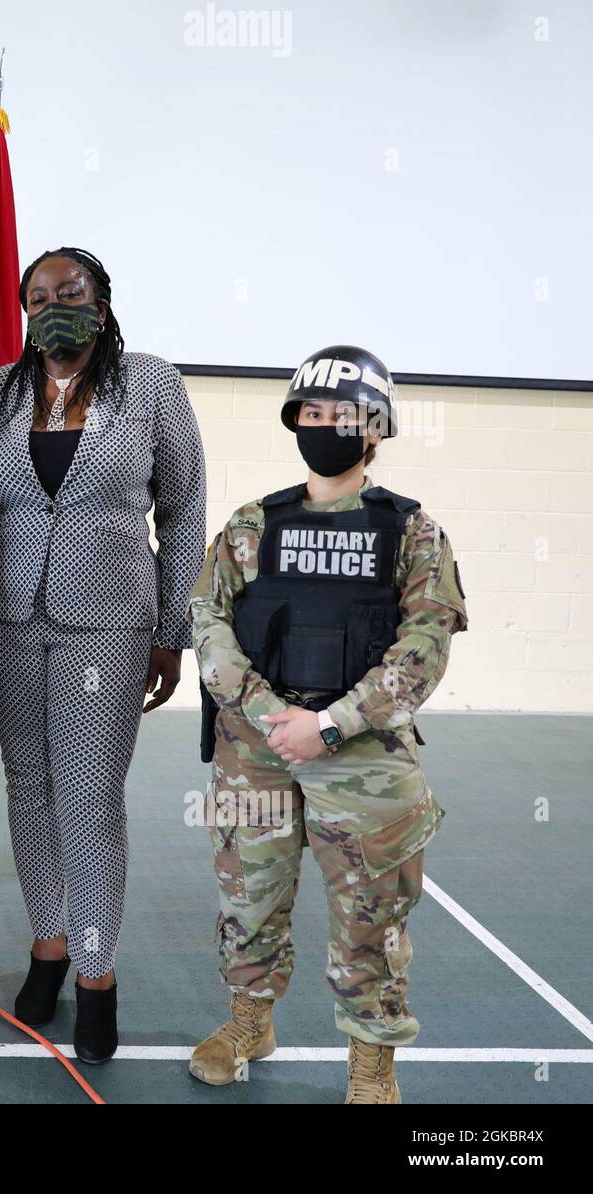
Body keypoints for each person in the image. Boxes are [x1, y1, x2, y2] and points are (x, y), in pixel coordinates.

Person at [187, 344, 468, 1103]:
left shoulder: (413, 533)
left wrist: (333, 725)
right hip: (258, 747)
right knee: (248, 895)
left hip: (364, 756)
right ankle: (250, 1019)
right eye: (311, 413)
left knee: (371, 913)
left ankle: (373, 1060)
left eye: (339, 415)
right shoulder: (252, 524)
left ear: (373, 430)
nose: (323, 426)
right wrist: (265, 709)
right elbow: (208, 618)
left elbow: (424, 650)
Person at [0, 247, 207, 1063]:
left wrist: (172, 627)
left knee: (90, 798)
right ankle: (50, 944)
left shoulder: (152, 386)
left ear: (102, 302)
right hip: (9, 619)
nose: (52, 307)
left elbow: (181, 513)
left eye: (69, 293)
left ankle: (97, 973)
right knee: (28, 787)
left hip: (107, 625)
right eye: (38, 297)